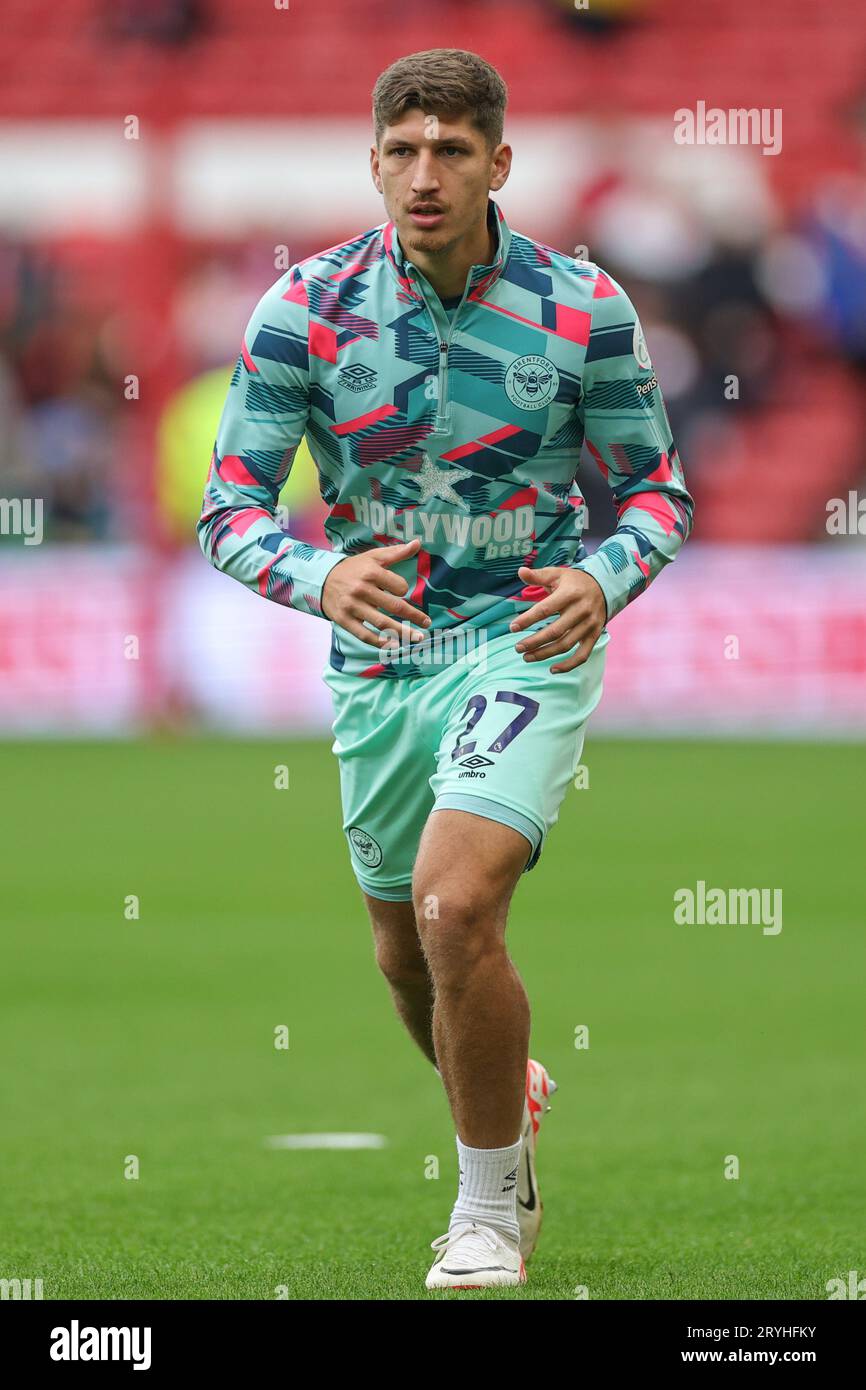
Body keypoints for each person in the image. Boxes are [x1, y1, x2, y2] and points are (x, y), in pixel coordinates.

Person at [197, 47, 693, 1290]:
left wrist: (603, 577)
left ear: (497, 163)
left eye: (452, 150)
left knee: (455, 901)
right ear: (373, 160)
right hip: (378, 659)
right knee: (402, 953)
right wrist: (319, 578)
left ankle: (483, 1212)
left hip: (524, 639)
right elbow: (227, 509)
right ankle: (502, 1102)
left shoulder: (585, 308)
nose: (425, 175)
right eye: (403, 151)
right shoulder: (300, 311)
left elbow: (656, 492)